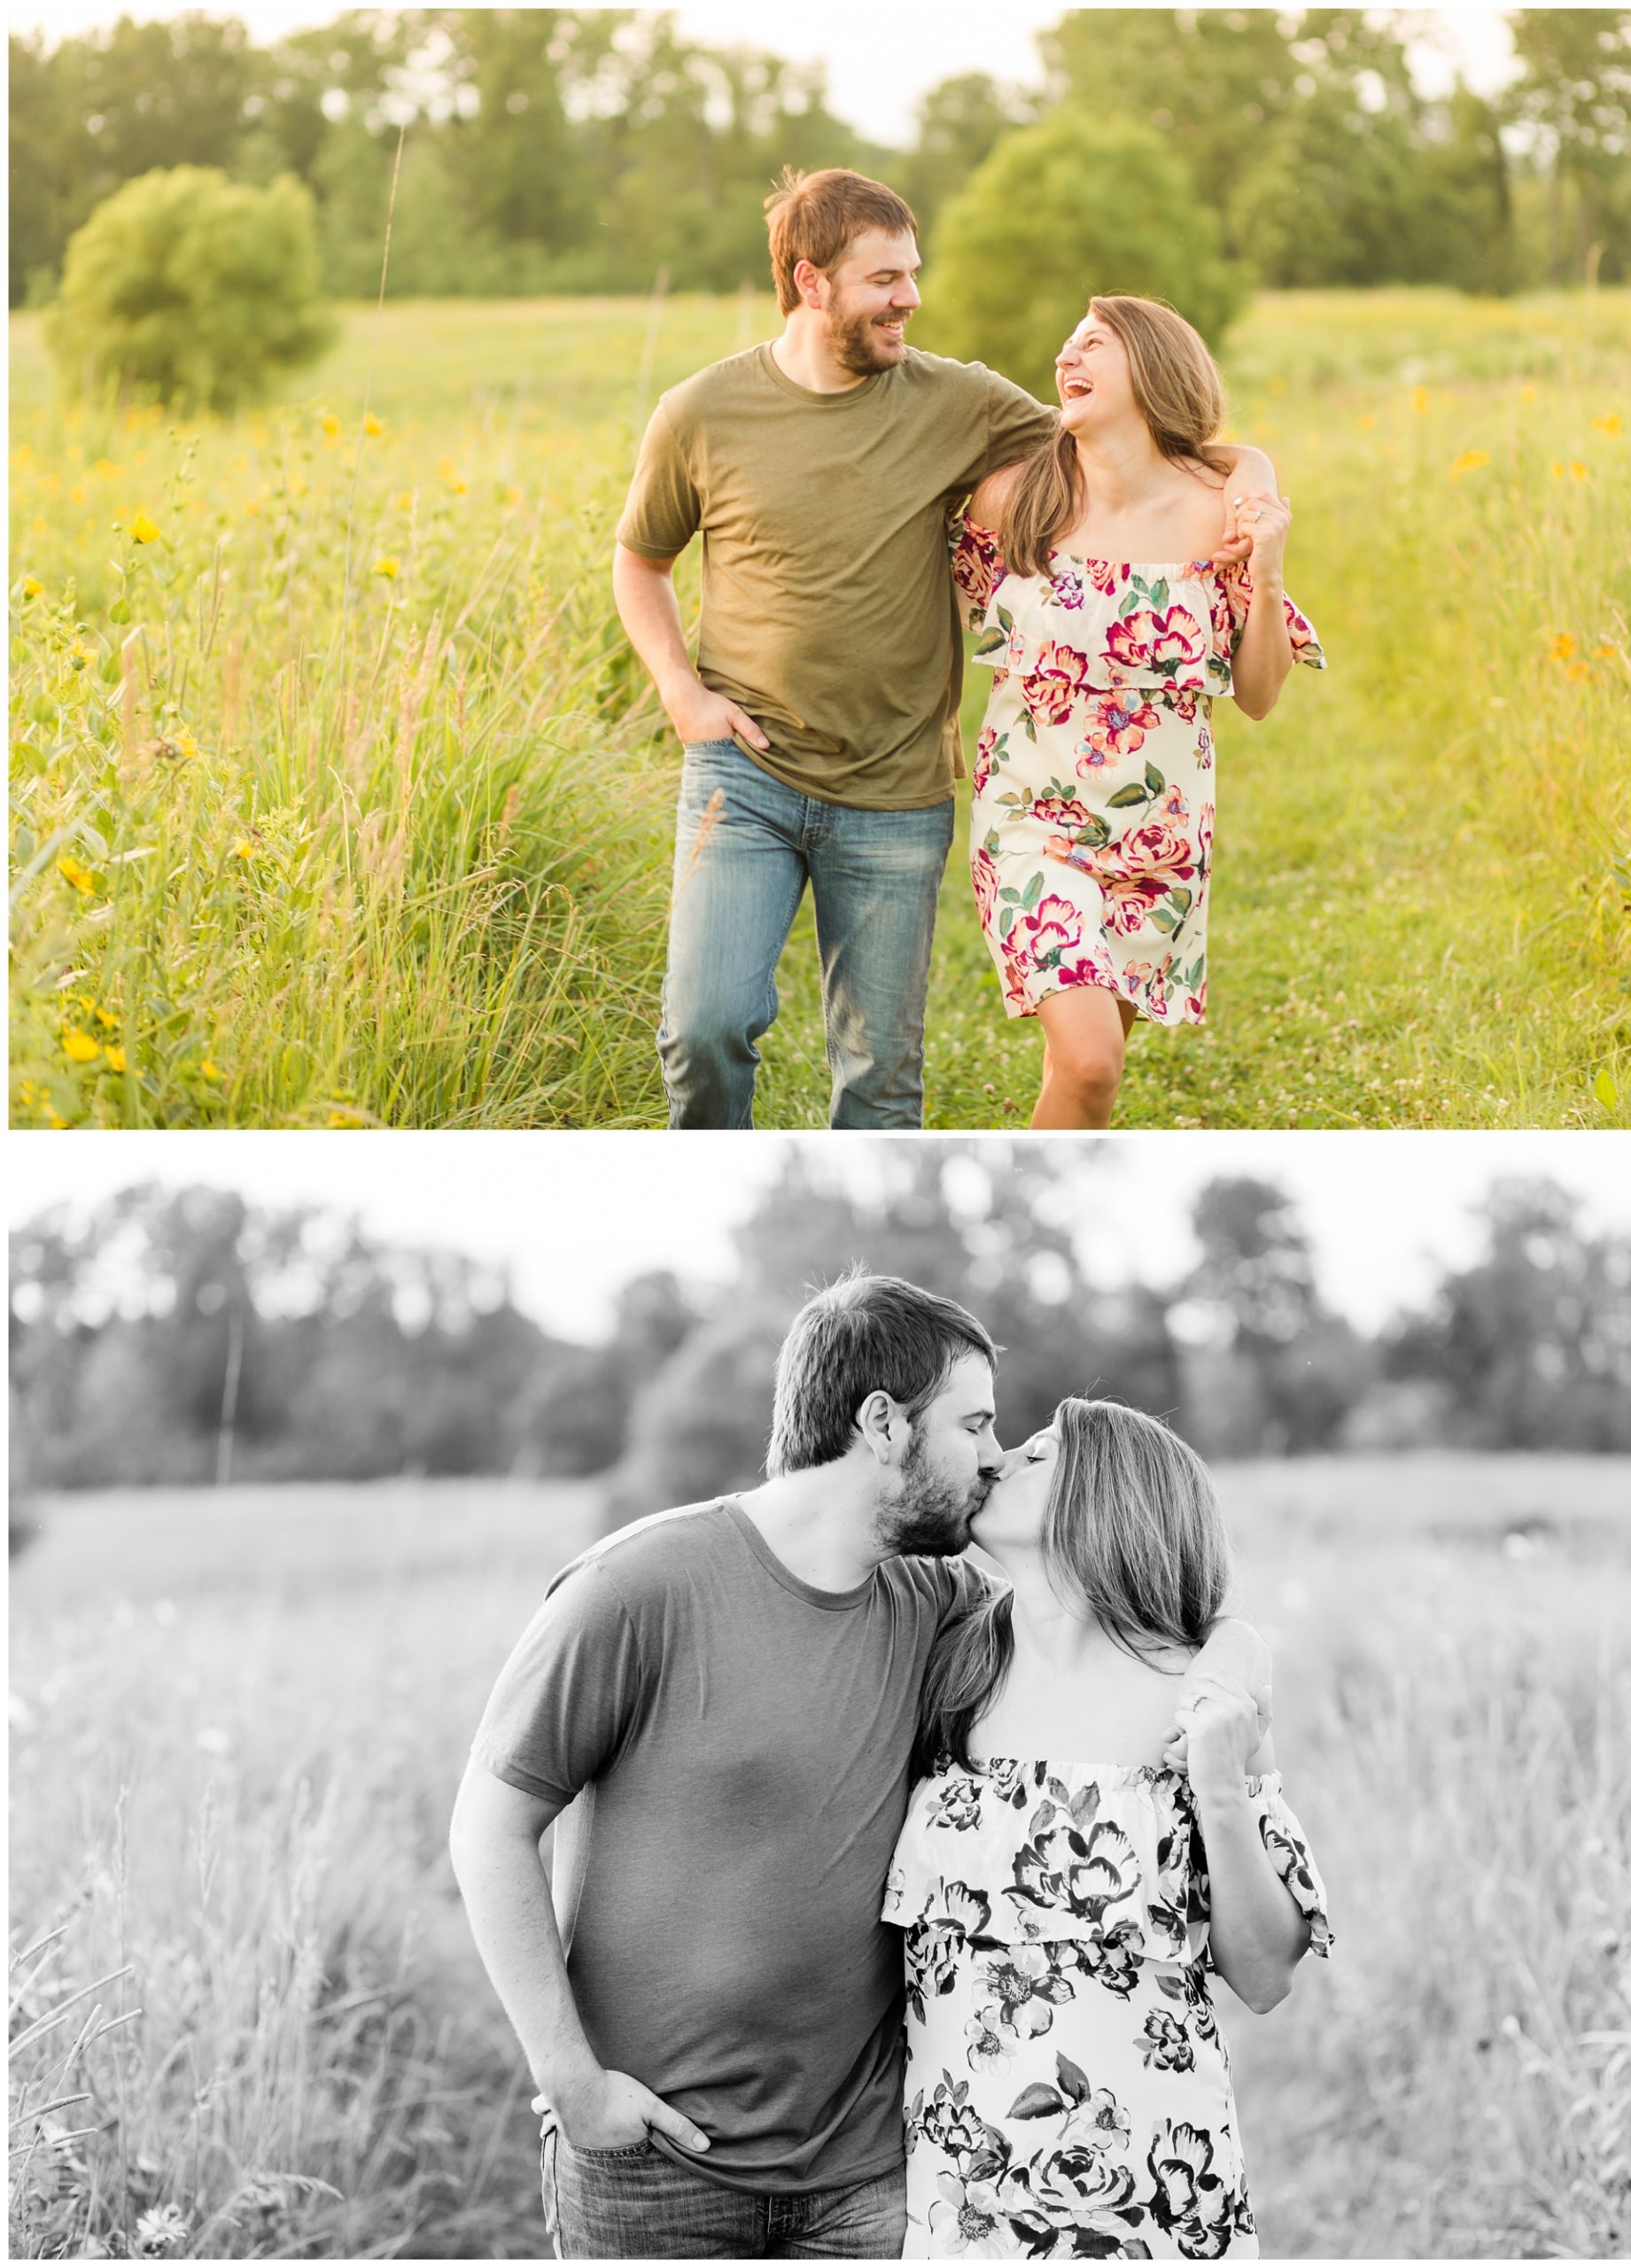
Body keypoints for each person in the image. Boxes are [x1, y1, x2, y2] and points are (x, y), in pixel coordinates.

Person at [448, 1274, 1272, 2261]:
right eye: (972, 1424)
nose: (993, 1456)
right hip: (656, 2164)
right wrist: (570, 2080)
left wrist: (1234, 1658)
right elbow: (487, 1827)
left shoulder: (937, 1606)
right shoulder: (636, 1588)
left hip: (872, 2171)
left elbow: (1128, 1597)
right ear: (883, 1423)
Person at [612, 172, 1270, 1130]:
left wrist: (1252, 471)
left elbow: (1135, 444)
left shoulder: (957, 400)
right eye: (885, 279)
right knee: (703, 1031)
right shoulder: (701, 411)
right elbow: (640, 562)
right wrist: (679, 688)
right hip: (741, 774)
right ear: (810, 282)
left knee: (882, 1073)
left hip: (894, 792)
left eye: (912, 273)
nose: (910, 298)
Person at [888, 1399, 1331, 2259]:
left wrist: (1218, 1785)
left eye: (1038, 1452)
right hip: (958, 2194)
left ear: (1108, 1492)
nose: (998, 1457)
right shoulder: (951, 1663)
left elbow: (1265, 1973)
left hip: (1138, 2195)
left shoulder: (1199, 1691)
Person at [951, 297, 1327, 1127]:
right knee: (1090, 1064)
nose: (1067, 358)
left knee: (1089, 1074)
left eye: (1094, 344)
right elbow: (944, 615)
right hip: (1031, 816)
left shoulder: (1216, 513)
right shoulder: (1014, 501)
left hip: (1158, 836)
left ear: (1153, 367)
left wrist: (1264, 576)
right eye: (1067, 346)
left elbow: (1260, 696)